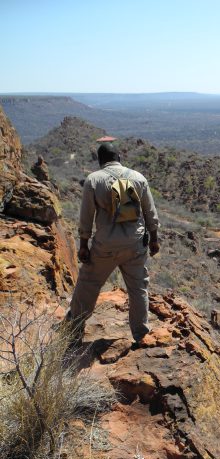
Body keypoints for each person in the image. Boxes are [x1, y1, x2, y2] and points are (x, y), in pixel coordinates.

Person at [64, 142, 160, 345]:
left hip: (105, 246)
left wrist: (83, 244)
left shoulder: (94, 180)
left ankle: (74, 329)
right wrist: (154, 239)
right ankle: (141, 333)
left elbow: (86, 216)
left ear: (101, 161)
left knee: (88, 284)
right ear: (120, 157)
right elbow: (150, 212)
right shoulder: (138, 178)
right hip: (135, 245)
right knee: (138, 288)